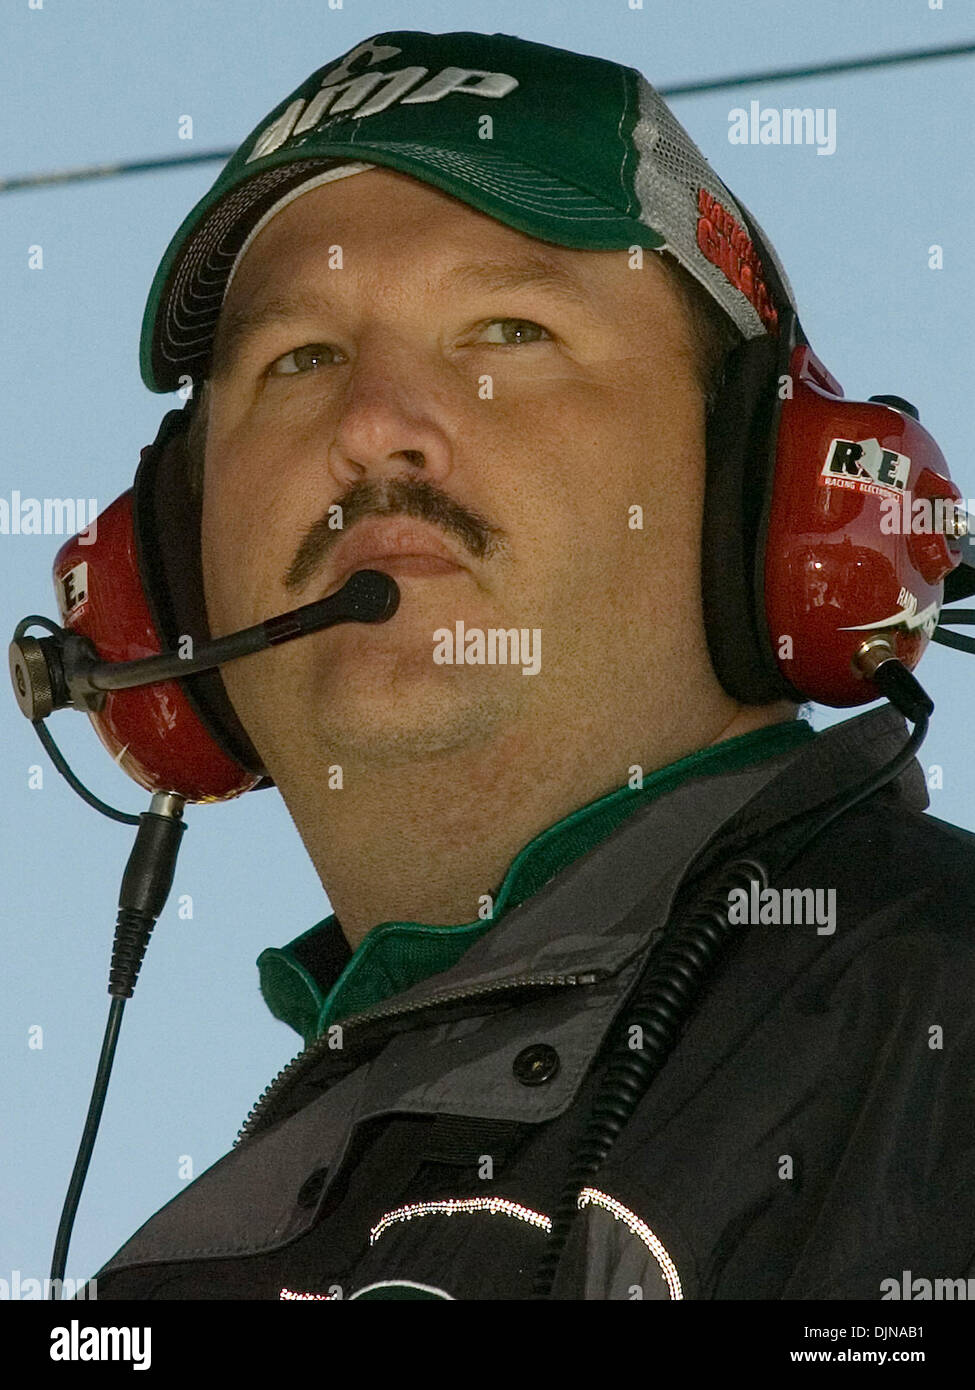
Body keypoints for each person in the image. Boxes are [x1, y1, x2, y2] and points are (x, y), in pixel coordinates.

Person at [89, 30, 975, 1300]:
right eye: (301, 359)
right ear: (172, 560)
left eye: (509, 330)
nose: (374, 423)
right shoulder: (171, 1277)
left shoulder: (933, 1028)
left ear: (758, 499)